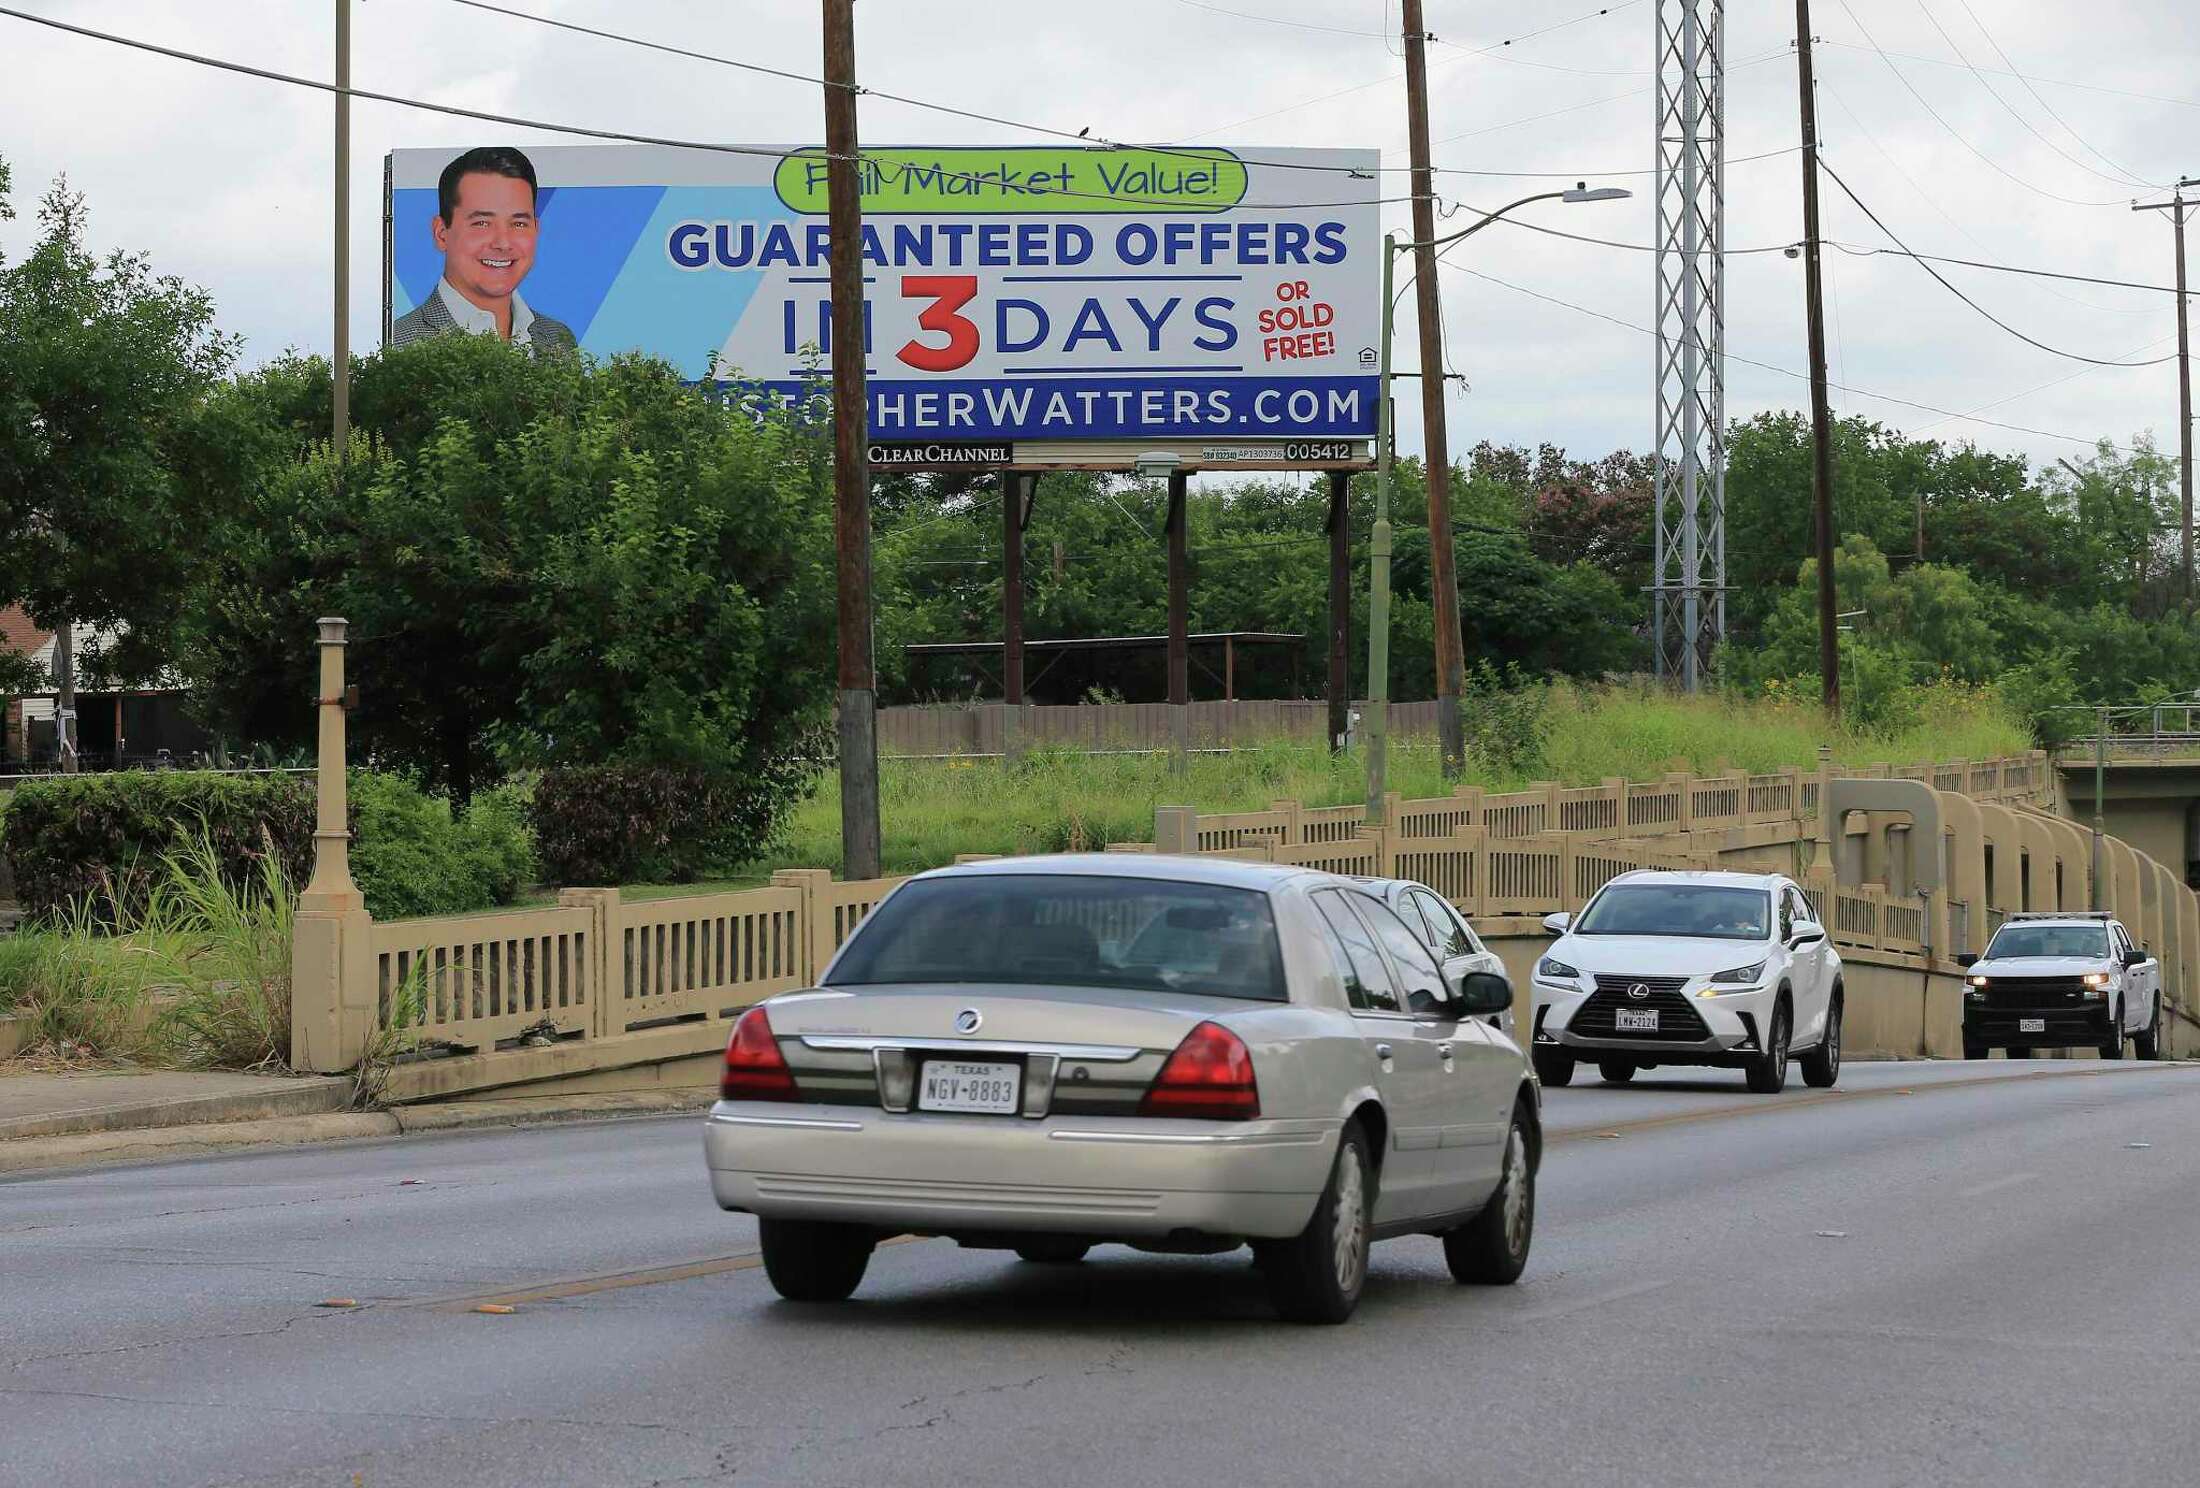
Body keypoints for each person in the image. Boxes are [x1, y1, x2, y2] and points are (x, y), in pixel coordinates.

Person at [391, 145, 576, 354]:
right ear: (441, 233)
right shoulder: (401, 343)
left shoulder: (558, 338)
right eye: (482, 223)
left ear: (536, 229)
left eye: (518, 223)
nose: (503, 243)